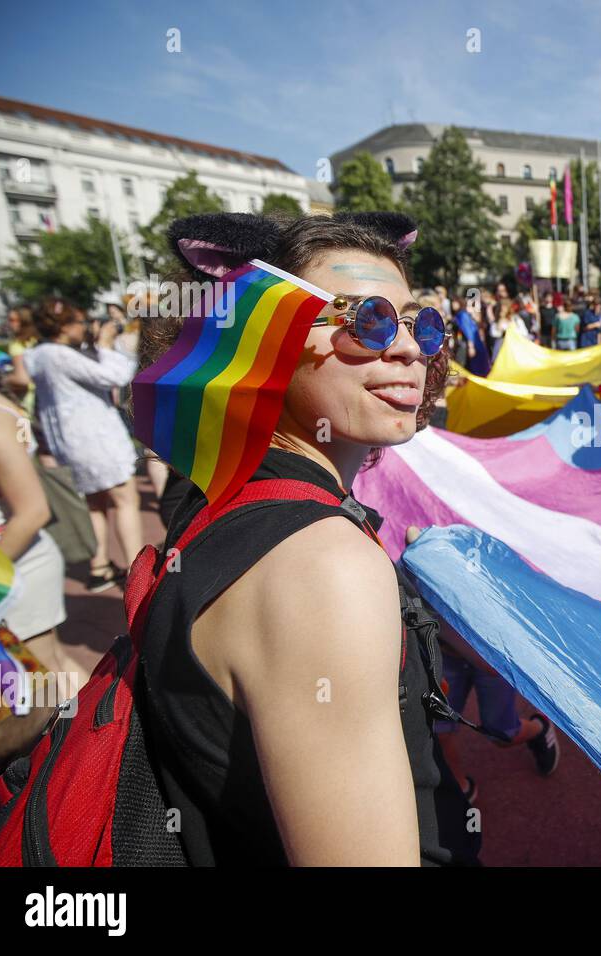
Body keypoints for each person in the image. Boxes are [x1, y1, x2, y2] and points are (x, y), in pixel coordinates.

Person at [135, 211, 480, 866]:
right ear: (262, 340)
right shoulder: (324, 568)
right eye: (368, 318)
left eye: (419, 321)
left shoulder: (208, 488)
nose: (409, 349)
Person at [24, 299, 142, 591]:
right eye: (79, 322)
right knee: (125, 499)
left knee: (95, 503)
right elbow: (115, 376)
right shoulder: (58, 355)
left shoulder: (37, 355)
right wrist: (104, 345)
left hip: (71, 441)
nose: (85, 326)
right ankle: (138, 570)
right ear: (64, 327)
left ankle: (99, 565)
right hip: (94, 439)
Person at [0, 331, 71, 675]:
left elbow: (33, 511)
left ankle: (112, 727)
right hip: (5, 565)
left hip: (16, 567)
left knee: (48, 683)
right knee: (55, 672)